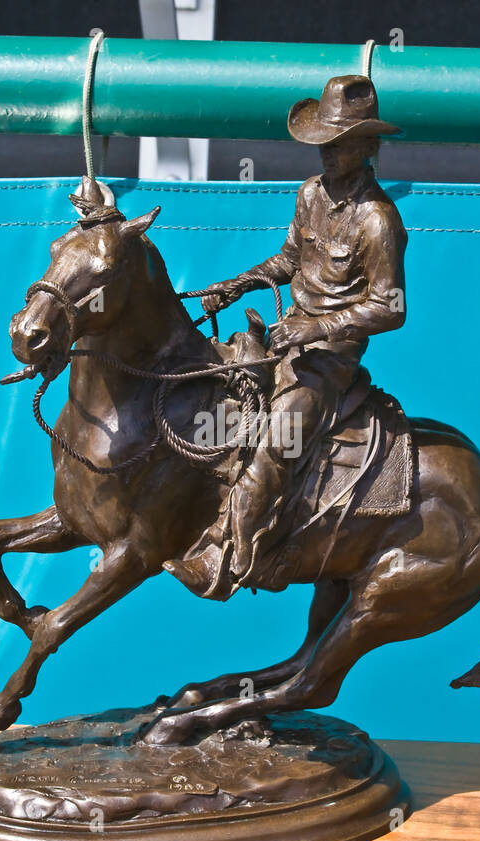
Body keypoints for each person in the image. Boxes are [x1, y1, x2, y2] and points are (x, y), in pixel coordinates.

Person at [170, 74, 408, 599]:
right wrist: (238, 285)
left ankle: (228, 557)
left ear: (366, 147)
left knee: (281, 439)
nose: (326, 154)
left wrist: (318, 327)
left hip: (329, 358)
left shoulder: (378, 220)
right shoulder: (310, 194)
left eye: (338, 145)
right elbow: (289, 260)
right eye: (322, 142)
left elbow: (391, 308)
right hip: (286, 337)